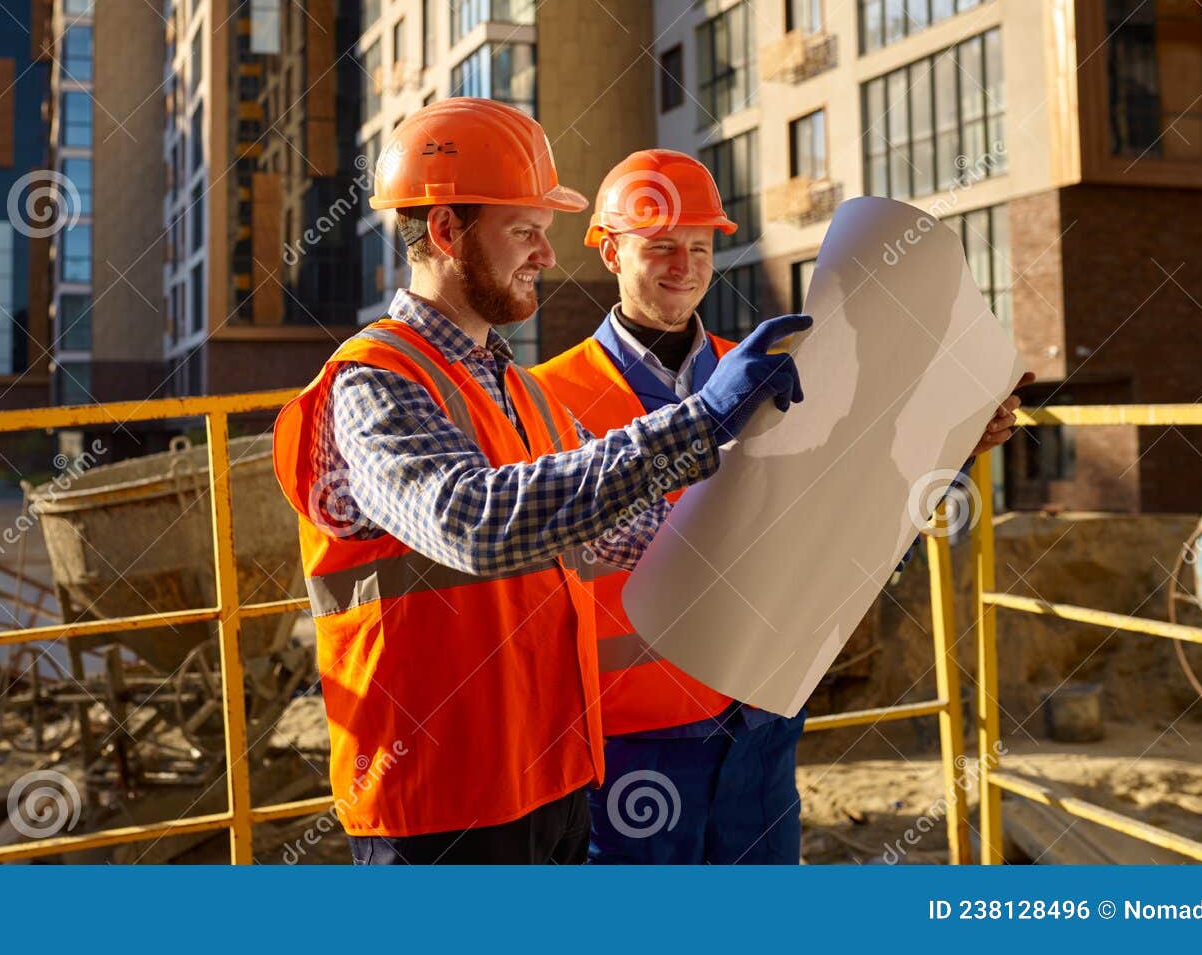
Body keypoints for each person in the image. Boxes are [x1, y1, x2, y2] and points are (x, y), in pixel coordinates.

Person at [270, 101, 811, 864]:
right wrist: (701, 420)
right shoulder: (375, 380)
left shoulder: (517, 391)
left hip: (548, 784)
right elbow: (474, 523)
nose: (546, 256)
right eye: (525, 231)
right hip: (436, 806)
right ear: (448, 232)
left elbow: (646, 530)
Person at [534, 149, 1028, 864]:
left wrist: (949, 446)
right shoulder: (546, 395)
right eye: (661, 246)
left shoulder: (772, 368)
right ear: (610, 251)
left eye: (700, 247)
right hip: (629, 739)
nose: (683, 264)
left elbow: (847, 501)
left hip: (758, 726)